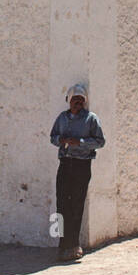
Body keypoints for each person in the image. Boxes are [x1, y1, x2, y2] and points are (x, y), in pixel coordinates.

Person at [49, 83, 105, 262]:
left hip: (82, 165)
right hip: (65, 163)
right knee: (61, 203)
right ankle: (61, 244)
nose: (78, 103)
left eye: (81, 100)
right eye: (75, 99)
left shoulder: (91, 119)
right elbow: (53, 137)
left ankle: (73, 245)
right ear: (69, 100)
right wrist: (62, 140)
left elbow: (100, 141)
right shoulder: (62, 118)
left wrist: (80, 142)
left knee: (76, 204)